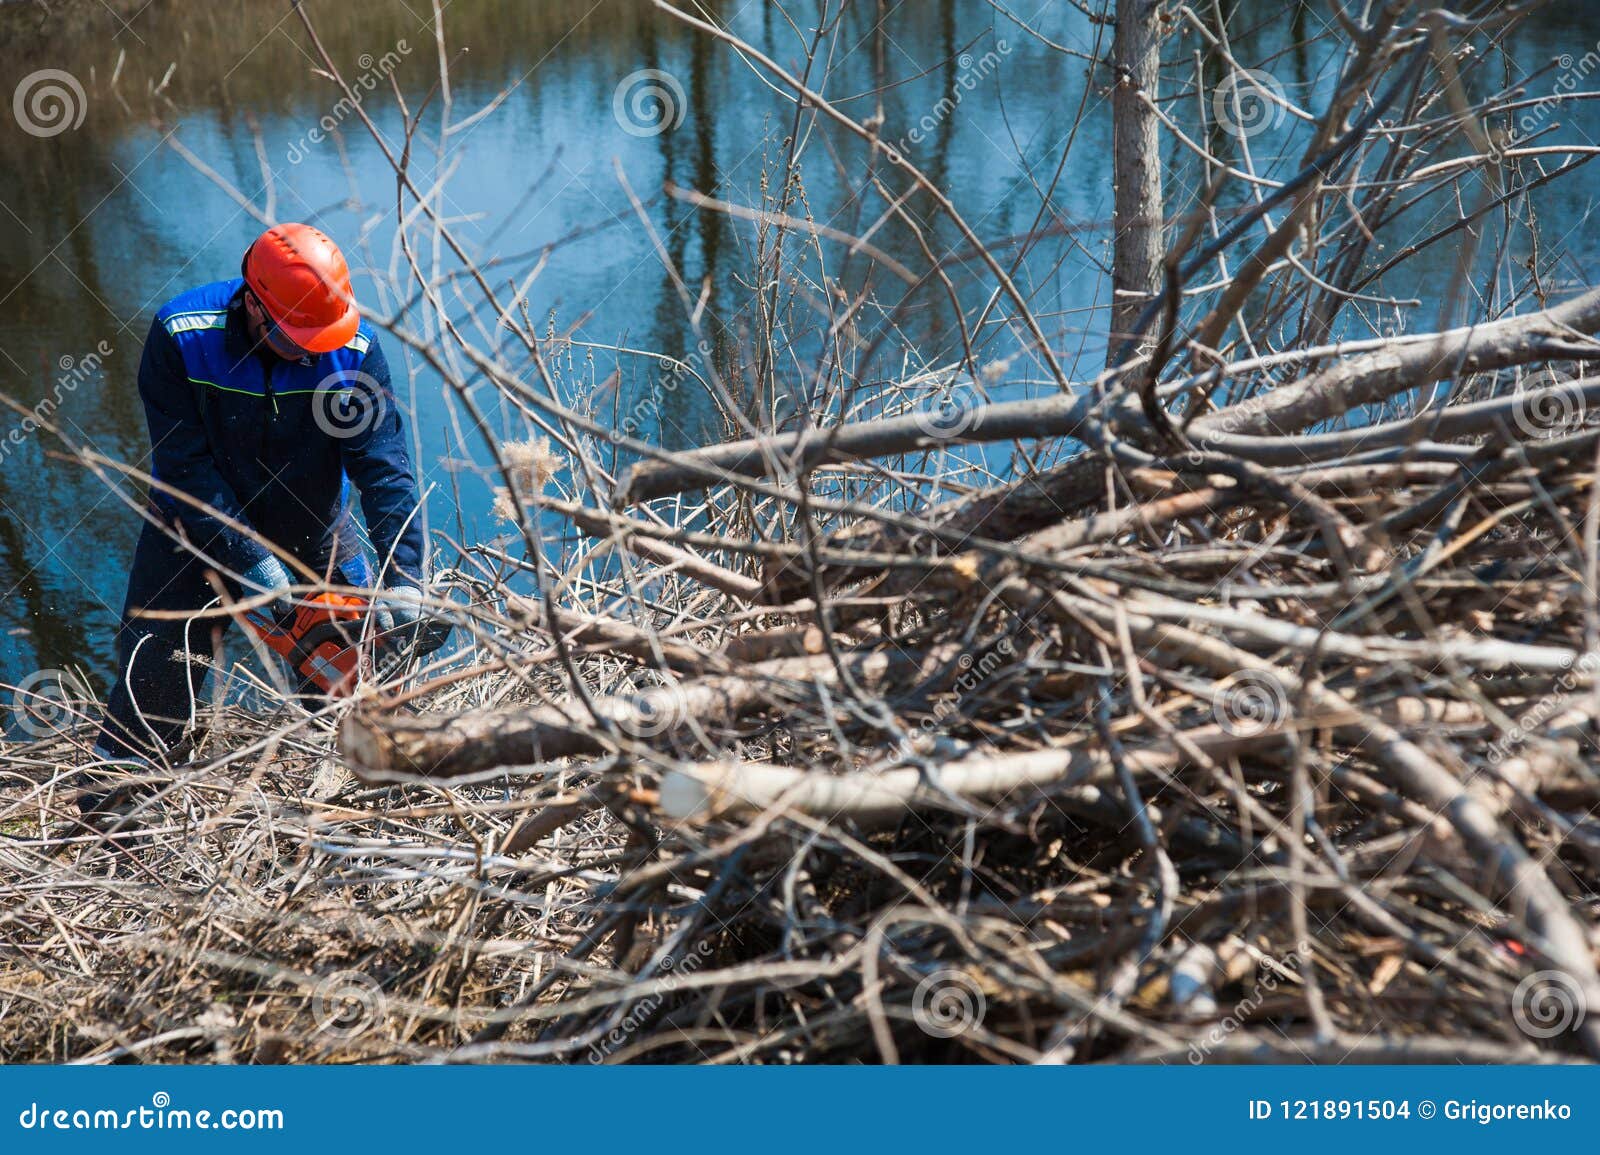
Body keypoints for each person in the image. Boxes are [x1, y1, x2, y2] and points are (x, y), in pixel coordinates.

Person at [92, 223, 426, 771]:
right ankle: (116, 807)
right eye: (301, 337)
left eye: (325, 334)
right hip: (191, 533)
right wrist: (251, 561)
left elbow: (386, 471)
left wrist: (406, 580)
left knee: (360, 701)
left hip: (314, 533)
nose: (313, 350)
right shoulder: (181, 336)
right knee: (150, 693)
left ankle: (351, 811)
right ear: (254, 304)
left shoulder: (355, 349)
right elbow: (184, 467)